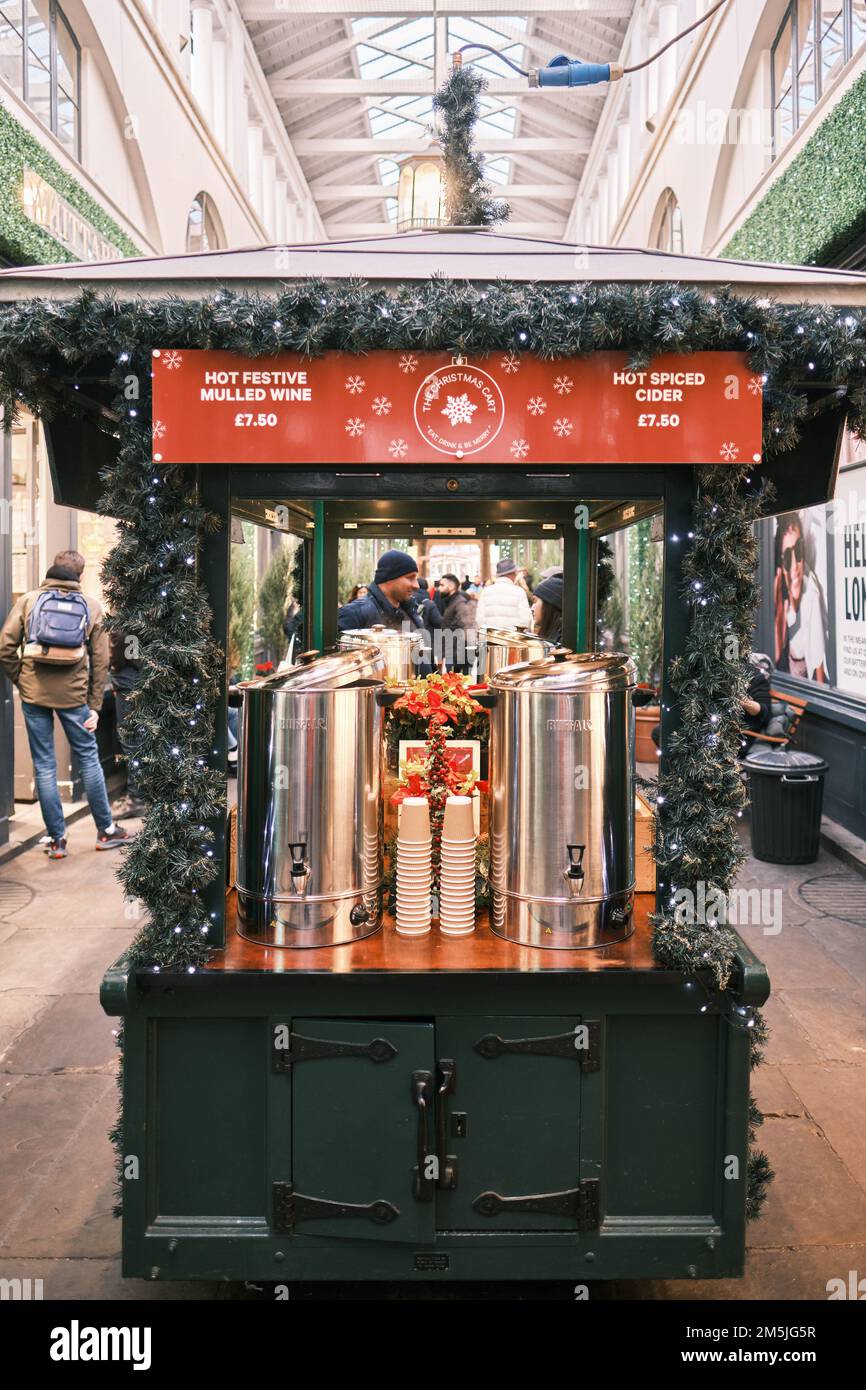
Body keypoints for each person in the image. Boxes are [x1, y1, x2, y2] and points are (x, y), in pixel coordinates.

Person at [0, 549, 133, 858]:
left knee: (45, 765)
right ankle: (105, 831)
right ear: (80, 576)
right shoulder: (91, 606)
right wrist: (95, 706)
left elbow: (6, 647)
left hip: (35, 694)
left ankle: (57, 840)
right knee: (89, 759)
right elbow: (100, 662)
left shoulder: (29, 601)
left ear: (50, 570)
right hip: (75, 698)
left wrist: (22, 680)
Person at [773, 513, 828, 682]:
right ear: (781, 566)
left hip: (805, 672)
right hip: (784, 672)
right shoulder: (776, 596)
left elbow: (817, 656)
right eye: (788, 556)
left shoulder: (810, 589)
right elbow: (774, 658)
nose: (795, 564)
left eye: (798, 549)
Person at [337, 549, 423, 636]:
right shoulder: (354, 614)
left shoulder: (409, 611)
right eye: (410, 578)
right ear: (389, 578)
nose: (417, 586)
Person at [109, 626, 146, 819]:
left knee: (131, 737)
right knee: (139, 735)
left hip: (128, 676)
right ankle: (139, 794)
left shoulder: (127, 602)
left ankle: (137, 798)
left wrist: (114, 664)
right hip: (142, 674)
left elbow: (120, 637)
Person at [475, 557, 533, 630]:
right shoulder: (519, 592)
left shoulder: (486, 591)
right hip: (513, 639)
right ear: (512, 573)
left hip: (490, 638)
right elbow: (525, 619)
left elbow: (479, 619)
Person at [438, 573, 478, 672]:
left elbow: (468, 626)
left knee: (457, 683)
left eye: (442, 585)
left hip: (457, 653)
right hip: (452, 651)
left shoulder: (460, 602)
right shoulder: (451, 601)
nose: (439, 588)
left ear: (451, 587)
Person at [532, 573, 563, 644]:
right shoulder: (552, 634)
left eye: (535, 601)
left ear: (548, 604)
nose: (532, 608)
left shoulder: (559, 643)